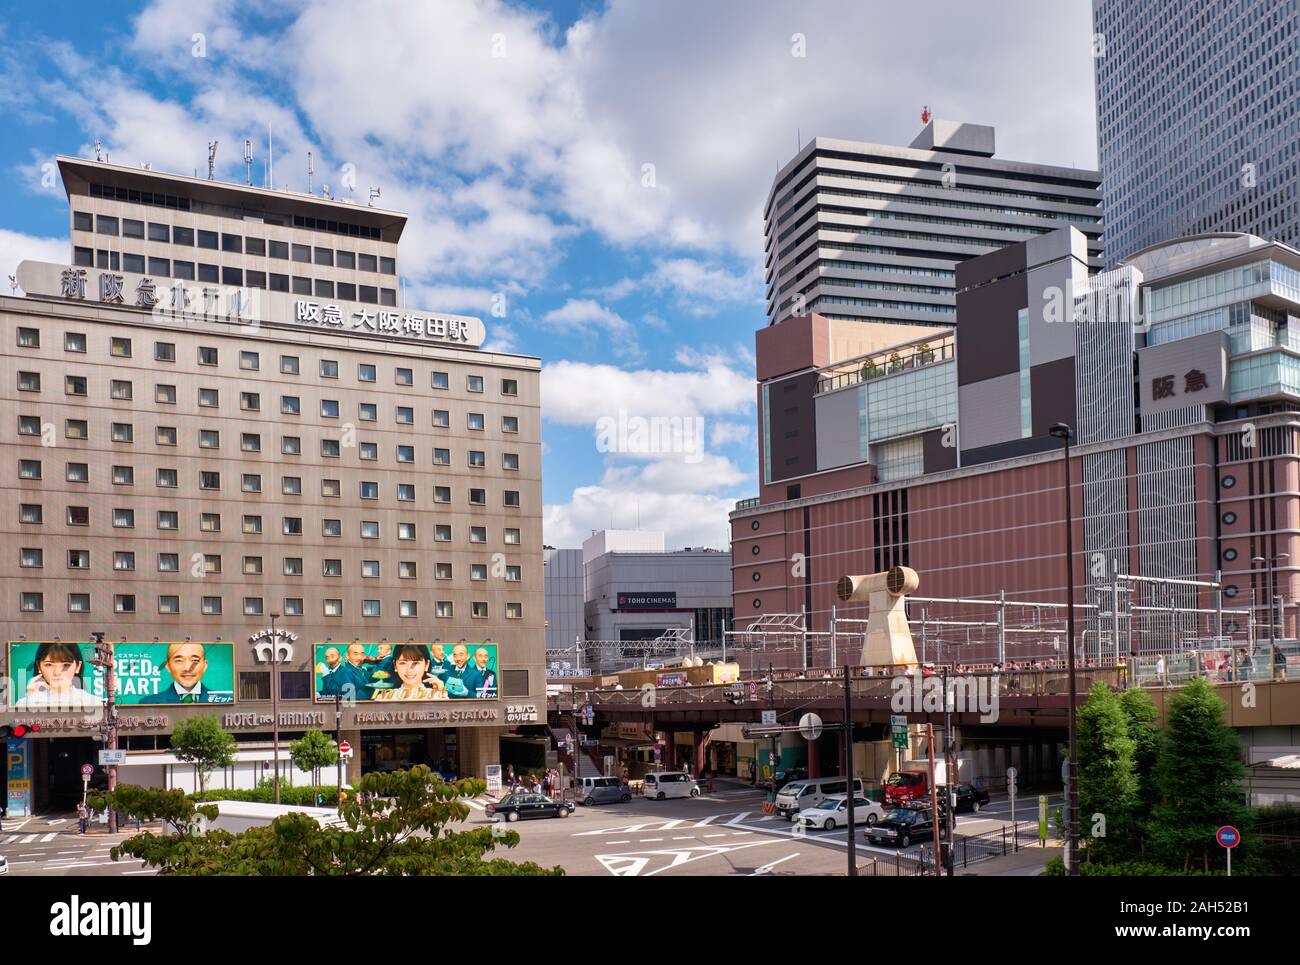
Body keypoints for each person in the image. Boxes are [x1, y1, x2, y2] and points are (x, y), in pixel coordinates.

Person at [15, 642, 102, 711]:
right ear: (39, 667)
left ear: (78, 667)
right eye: (49, 665)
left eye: (66, 665)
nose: (57, 672)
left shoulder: (95, 703)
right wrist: (30, 700)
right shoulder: (23, 704)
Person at [141, 642, 230, 704]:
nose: (187, 668)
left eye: (195, 660)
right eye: (179, 660)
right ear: (167, 666)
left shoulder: (225, 700)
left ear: (205, 665)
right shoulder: (149, 702)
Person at [372, 644, 444, 701]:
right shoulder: (383, 698)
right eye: (403, 663)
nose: (409, 669)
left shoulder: (438, 697)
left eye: (415, 663)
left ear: (426, 665)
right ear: (395, 666)